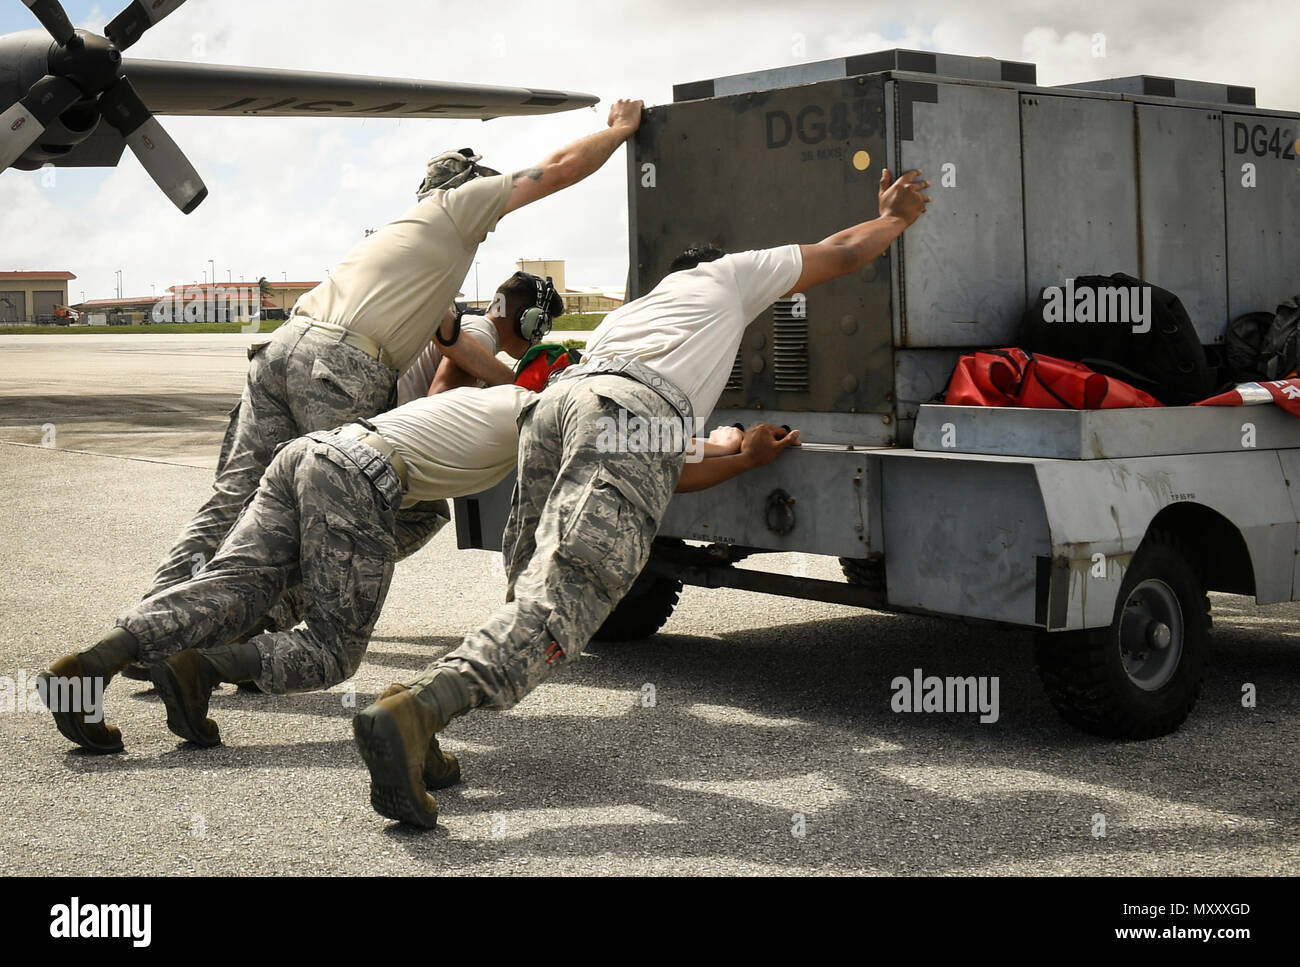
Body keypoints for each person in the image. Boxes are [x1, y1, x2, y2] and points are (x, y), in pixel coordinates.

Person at [351, 163, 933, 827]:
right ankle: (412, 712)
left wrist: (744, 454)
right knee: (560, 608)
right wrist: (895, 217)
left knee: (532, 597)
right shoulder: (730, 273)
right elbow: (843, 251)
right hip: (626, 414)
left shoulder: (630, 317)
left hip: (562, 407)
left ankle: (427, 724)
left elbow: (656, 464)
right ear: (717, 265)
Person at [39, 348, 784, 755]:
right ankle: (200, 667)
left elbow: (451, 369)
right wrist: (739, 454)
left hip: (311, 451)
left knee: (235, 586)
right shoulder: (546, 413)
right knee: (333, 652)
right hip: (358, 477)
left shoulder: (487, 397)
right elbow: (649, 457)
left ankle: (88, 667)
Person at [130, 99, 649, 658]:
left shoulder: (410, 244)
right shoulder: (456, 211)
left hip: (283, 349)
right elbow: (560, 168)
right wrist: (617, 130)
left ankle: (145, 632)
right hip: (340, 367)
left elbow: (452, 341)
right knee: (338, 505)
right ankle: (252, 632)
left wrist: (526, 386)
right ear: (466, 187)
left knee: (232, 500)